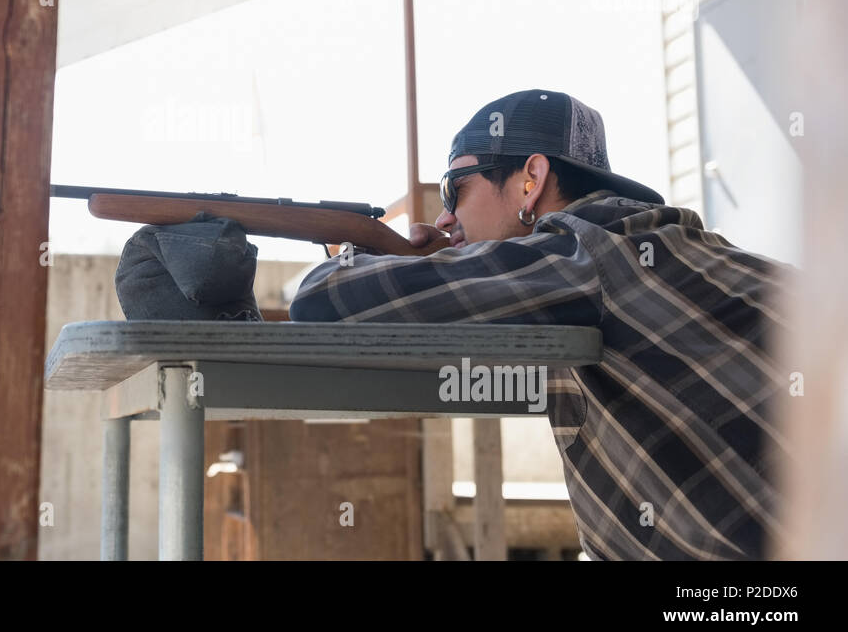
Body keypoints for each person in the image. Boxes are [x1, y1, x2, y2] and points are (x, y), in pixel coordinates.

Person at [288, 89, 791, 560]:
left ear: (531, 180)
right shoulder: (668, 253)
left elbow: (321, 298)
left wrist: (391, 259)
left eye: (454, 189)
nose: (443, 220)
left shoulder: (582, 255)